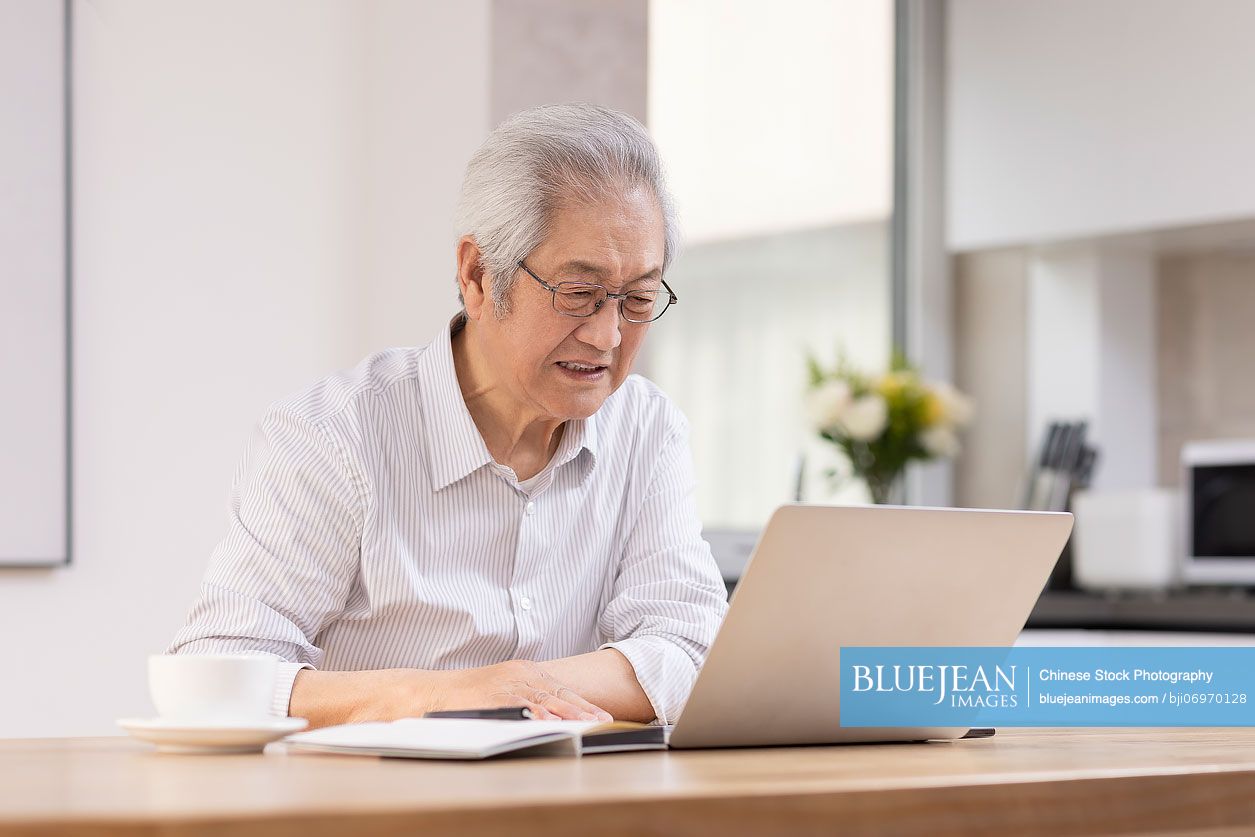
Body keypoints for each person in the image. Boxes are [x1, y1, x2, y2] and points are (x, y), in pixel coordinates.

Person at [169, 103, 728, 729]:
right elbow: (216, 677)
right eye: (578, 294)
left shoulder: (647, 429)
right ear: (478, 275)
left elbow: (691, 650)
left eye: (638, 299)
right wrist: (434, 696)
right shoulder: (333, 437)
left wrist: (516, 689)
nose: (607, 335)